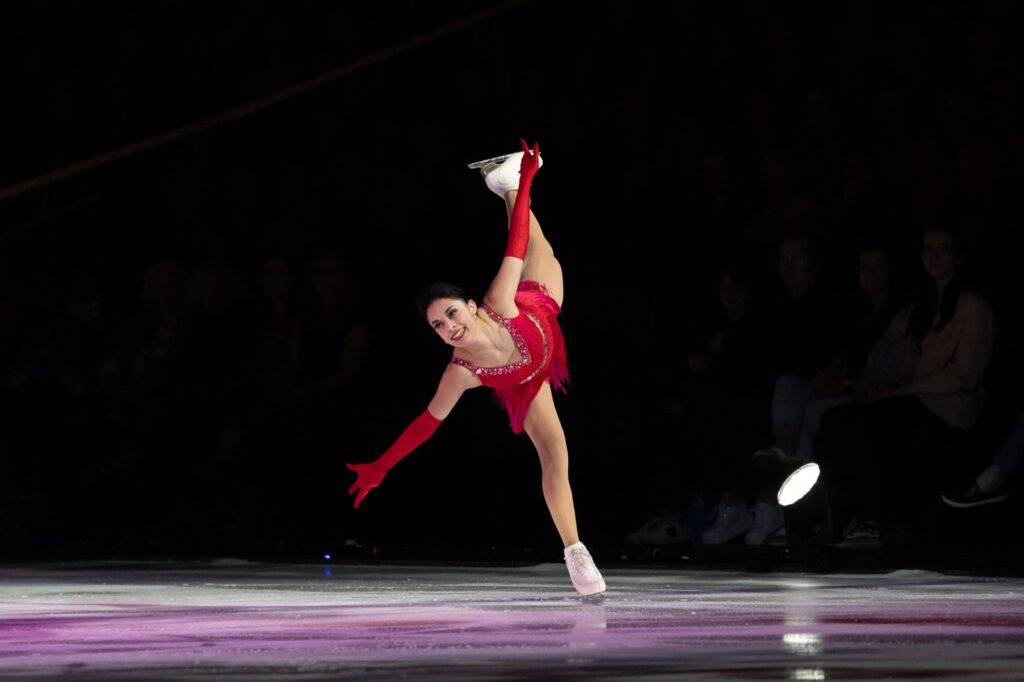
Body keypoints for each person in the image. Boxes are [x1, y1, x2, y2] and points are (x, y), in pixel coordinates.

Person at [345, 140, 606, 596]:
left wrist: (528, 181)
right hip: (526, 379)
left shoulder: (499, 301)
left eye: (451, 314)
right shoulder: (460, 372)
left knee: (536, 243)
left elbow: (517, 241)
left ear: (469, 307)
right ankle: (575, 550)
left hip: (538, 302)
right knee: (554, 455)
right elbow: (426, 424)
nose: (449, 327)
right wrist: (382, 466)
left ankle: (506, 182)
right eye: (438, 327)